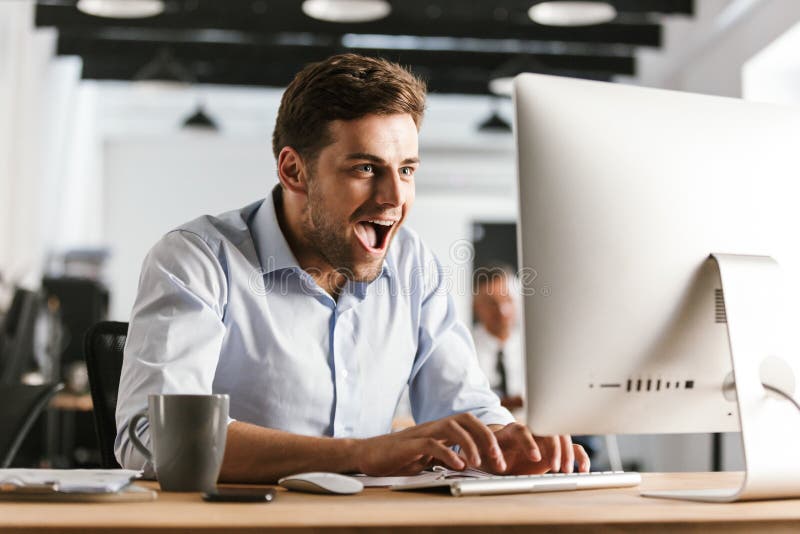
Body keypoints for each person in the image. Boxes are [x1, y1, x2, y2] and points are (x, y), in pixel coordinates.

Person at [115, 53, 589, 483]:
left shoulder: (412, 263)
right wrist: (358, 454)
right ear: (294, 171)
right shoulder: (197, 260)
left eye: (406, 170)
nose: (394, 198)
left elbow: (464, 406)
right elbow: (152, 437)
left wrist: (505, 441)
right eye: (365, 168)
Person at [472, 264, 525, 410]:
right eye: (491, 303)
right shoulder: (464, 348)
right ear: (476, 306)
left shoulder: (535, 346)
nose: (502, 311)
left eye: (508, 300)